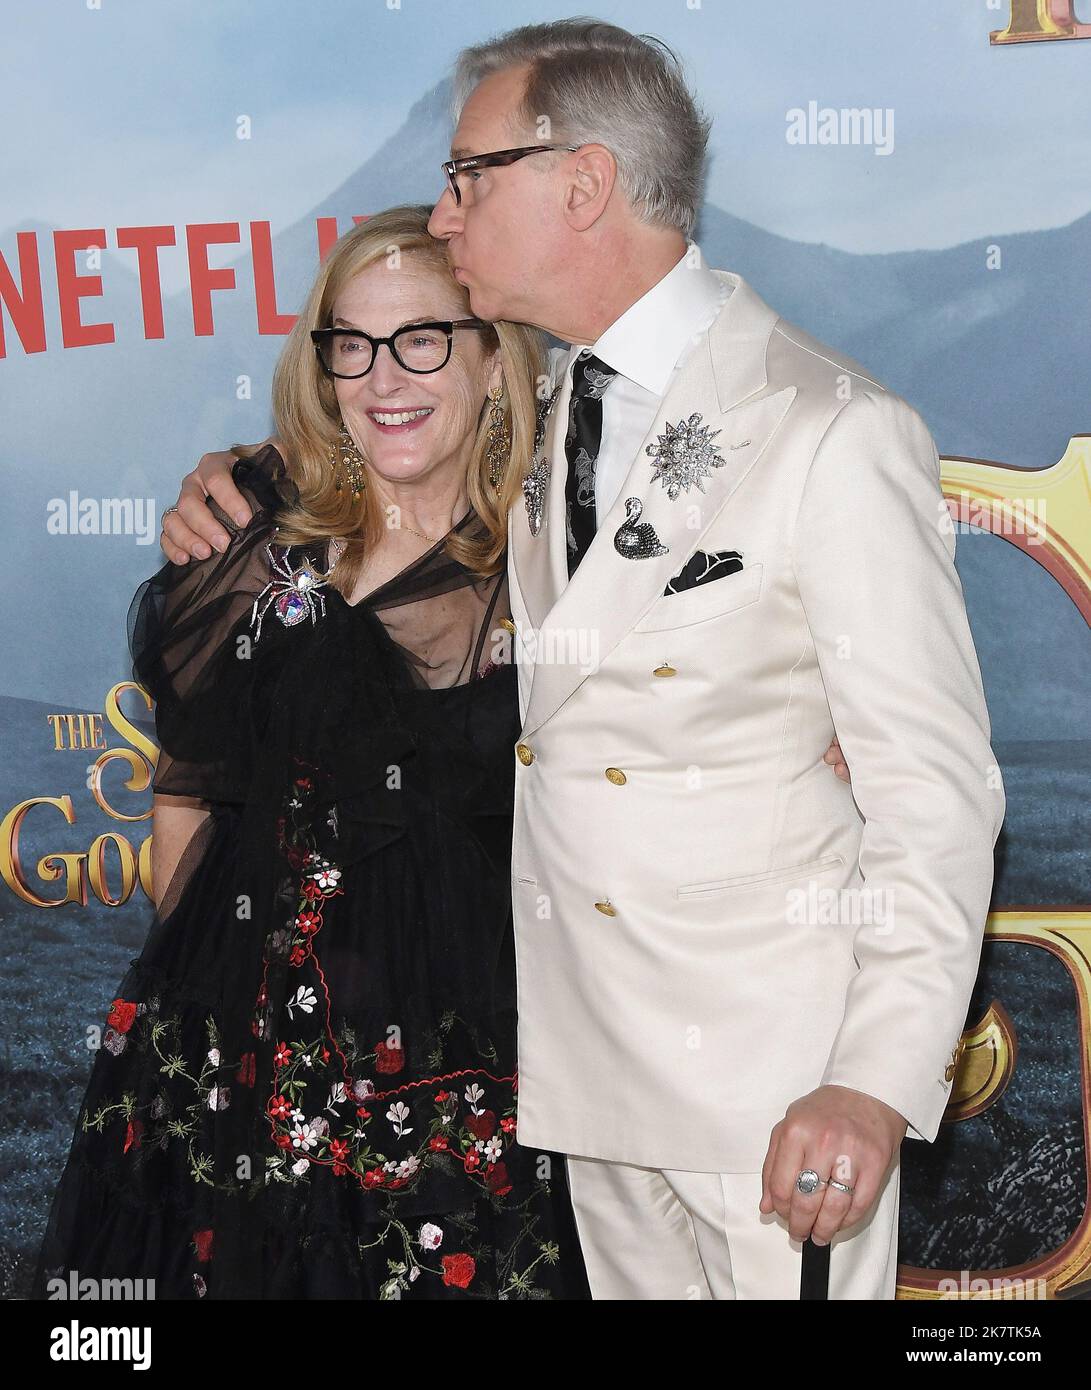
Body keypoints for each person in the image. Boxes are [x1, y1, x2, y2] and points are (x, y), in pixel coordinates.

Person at [160, 19, 1003, 1300]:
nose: (443, 216)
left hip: (770, 1108)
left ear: (582, 183)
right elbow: (381, 475)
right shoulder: (542, 406)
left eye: (467, 177)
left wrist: (871, 1084)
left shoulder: (832, 431)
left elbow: (936, 800)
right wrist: (238, 486)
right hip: (583, 1097)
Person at [32, 205, 595, 1300]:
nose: (384, 375)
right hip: (247, 1071)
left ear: (492, 362)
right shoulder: (251, 550)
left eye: (422, 338)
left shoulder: (552, 566)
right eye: (351, 342)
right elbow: (186, 802)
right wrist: (216, 1039)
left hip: (470, 1088)